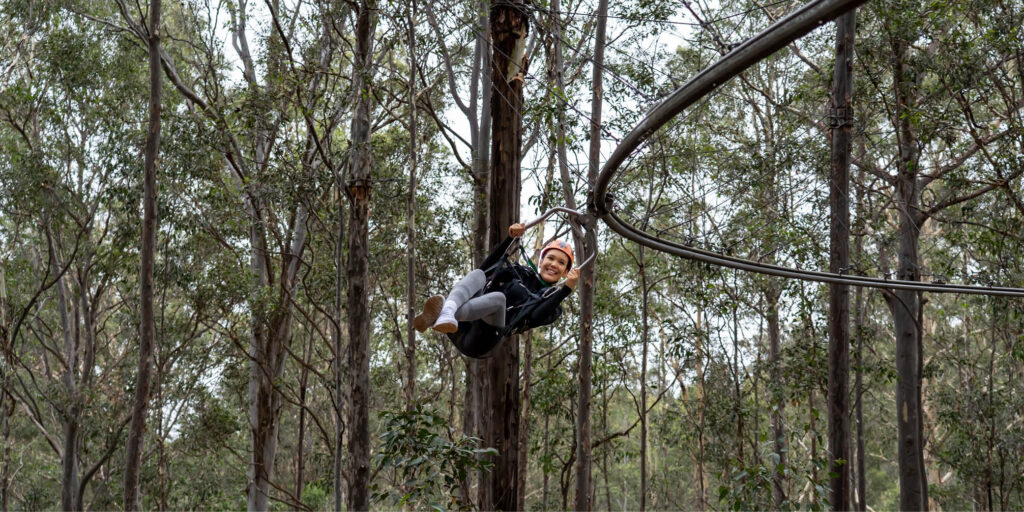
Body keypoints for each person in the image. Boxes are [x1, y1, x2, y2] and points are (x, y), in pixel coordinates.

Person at [413, 222, 581, 358]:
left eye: (561, 263)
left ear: (566, 272)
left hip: (481, 340)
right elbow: (486, 269)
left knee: (499, 298)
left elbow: (536, 317)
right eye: (550, 258)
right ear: (541, 261)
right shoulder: (521, 272)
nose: (553, 264)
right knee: (478, 274)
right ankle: (448, 311)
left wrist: (566, 290)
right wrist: (509, 239)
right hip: (460, 325)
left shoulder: (554, 302)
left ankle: (444, 312)